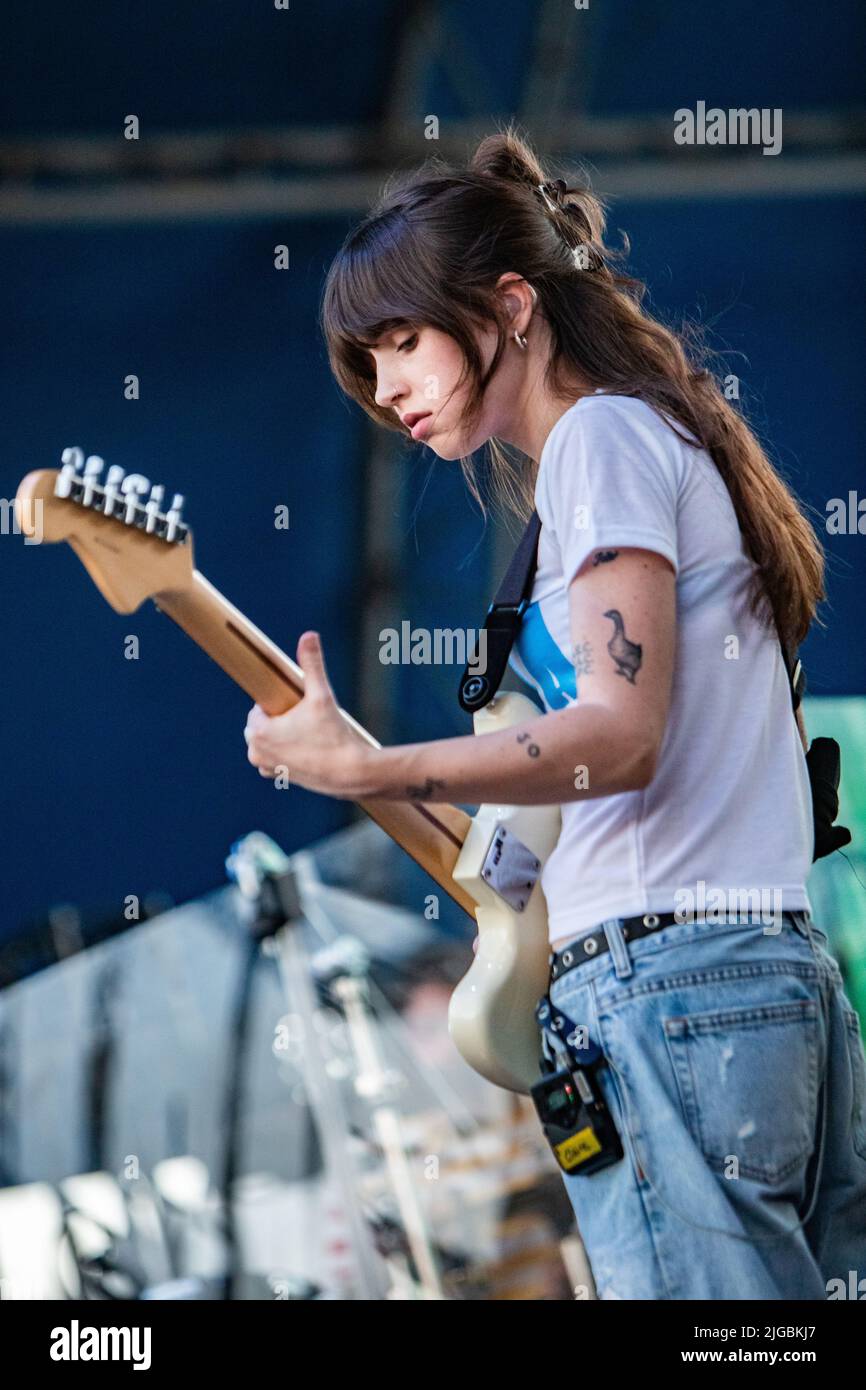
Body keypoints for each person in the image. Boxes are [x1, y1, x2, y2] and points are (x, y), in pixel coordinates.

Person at [242, 126, 866, 1299]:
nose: (386, 390)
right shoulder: (650, 436)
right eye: (367, 360)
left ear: (511, 304)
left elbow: (617, 737)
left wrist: (364, 770)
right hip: (761, 979)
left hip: (673, 986)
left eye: (403, 340)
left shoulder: (598, 440)